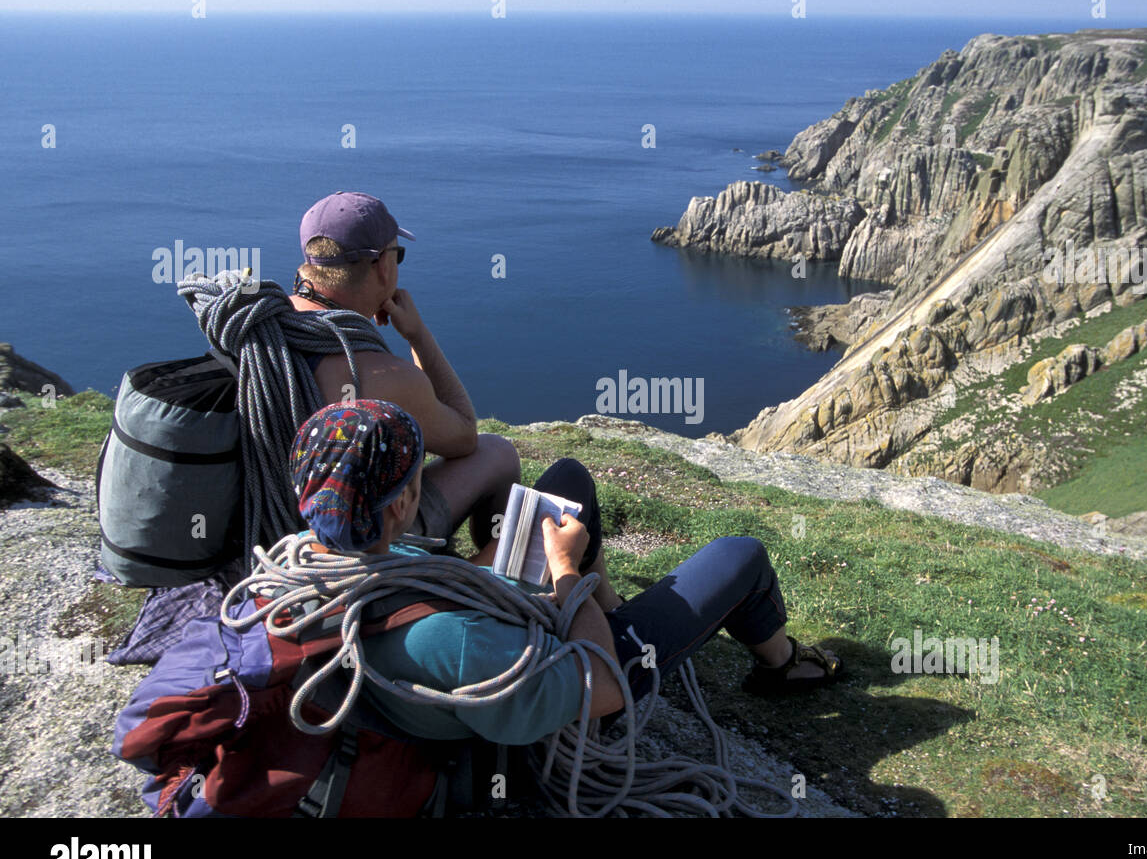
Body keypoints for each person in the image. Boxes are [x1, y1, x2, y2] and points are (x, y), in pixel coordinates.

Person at [288, 399, 845, 749]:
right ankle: (782, 666)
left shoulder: (309, 565)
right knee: (739, 554)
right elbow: (601, 687)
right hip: (569, 685)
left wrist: (512, 558)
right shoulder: (452, 643)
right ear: (399, 503)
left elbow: (433, 588)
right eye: (416, 475)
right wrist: (564, 570)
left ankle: (611, 610)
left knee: (566, 479)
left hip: (483, 642)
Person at [291, 191, 519, 564]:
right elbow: (463, 436)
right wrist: (417, 334)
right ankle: (483, 568)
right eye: (397, 254)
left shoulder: (260, 327)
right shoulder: (385, 376)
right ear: (382, 266)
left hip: (275, 531)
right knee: (498, 454)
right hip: (358, 541)